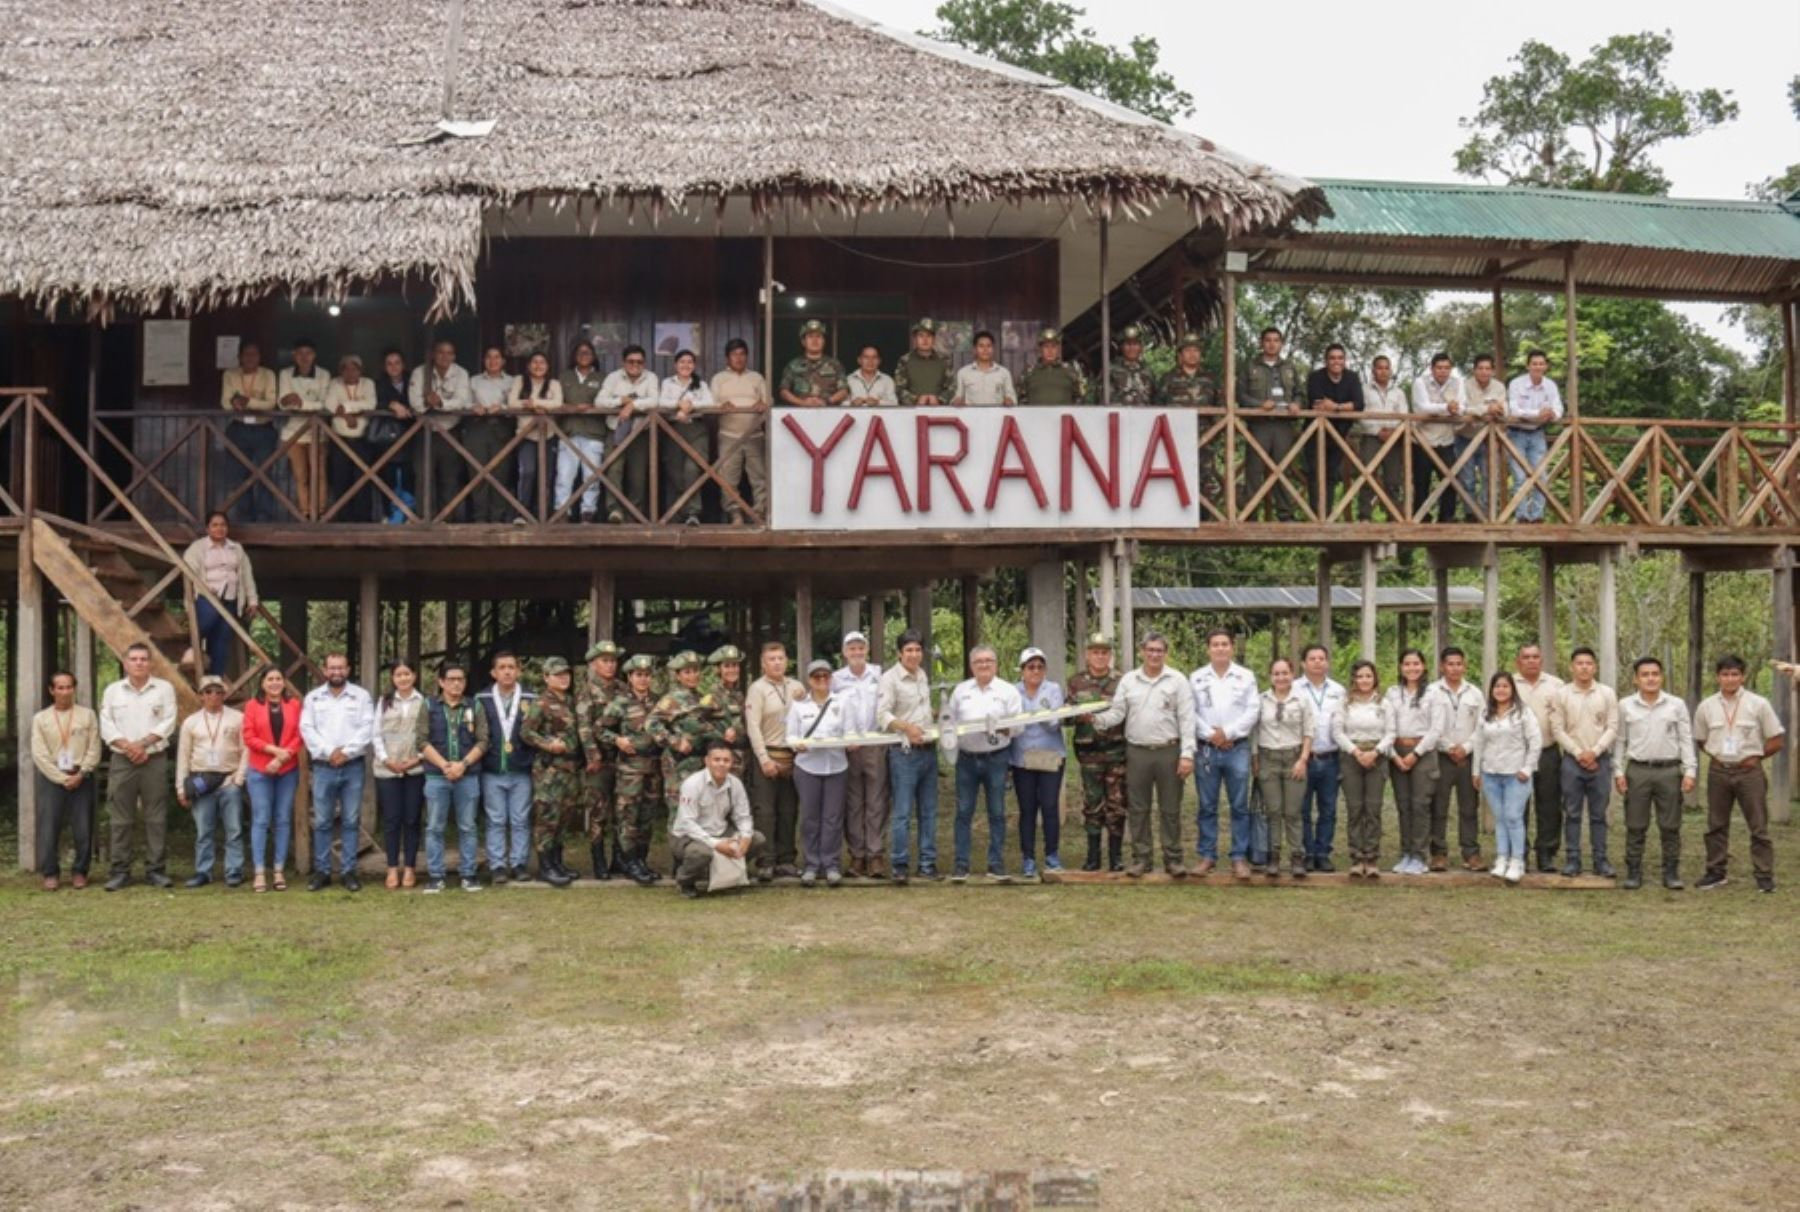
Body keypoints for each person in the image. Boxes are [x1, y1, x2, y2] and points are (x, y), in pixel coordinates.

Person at [1087, 632, 1195, 878]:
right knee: (1138, 808)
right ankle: (1141, 858)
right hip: (1137, 752)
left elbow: (1187, 719)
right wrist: (1096, 719)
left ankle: (1173, 859)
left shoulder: (1177, 680)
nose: (1154, 654)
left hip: (1169, 750)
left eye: (1159, 650)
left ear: (1165, 653)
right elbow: (1117, 713)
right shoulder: (1129, 680)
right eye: (1150, 650)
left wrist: (1187, 754)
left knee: (1170, 809)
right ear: (1142, 652)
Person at [1692, 654, 1783, 892]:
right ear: (1717, 677)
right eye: (1725, 674)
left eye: (1735, 674)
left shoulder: (1759, 704)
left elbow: (1776, 739)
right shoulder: (1706, 706)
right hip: (1719, 772)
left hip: (1749, 773)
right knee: (1716, 824)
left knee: (1758, 825)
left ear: (1743, 677)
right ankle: (1715, 872)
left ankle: (1764, 875)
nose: (1730, 679)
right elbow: (1701, 739)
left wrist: (1756, 757)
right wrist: (1718, 756)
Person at [1613, 656, 1696, 890]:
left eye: (1655, 674)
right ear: (1636, 679)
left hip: (1669, 770)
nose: (1650, 679)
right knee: (1635, 823)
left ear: (1662, 677)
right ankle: (1633, 871)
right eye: (1645, 675)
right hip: (1638, 770)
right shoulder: (1625, 705)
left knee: (1670, 825)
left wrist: (1690, 770)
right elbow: (1620, 740)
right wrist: (1618, 771)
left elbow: (1685, 739)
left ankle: (1671, 872)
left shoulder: (1676, 705)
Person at [100, 642, 178, 891]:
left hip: (153, 759)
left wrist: (142, 745)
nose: (139, 663)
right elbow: (106, 724)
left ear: (150, 663)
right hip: (122, 760)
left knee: (156, 817)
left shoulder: (164, 689)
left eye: (143, 659)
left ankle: (156, 870)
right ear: (125, 663)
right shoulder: (113, 691)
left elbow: (169, 721)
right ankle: (120, 871)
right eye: (134, 659)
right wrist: (129, 747)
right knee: (120, 818)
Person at [945, 644, 1023, 883]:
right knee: (964, 812)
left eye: (989, 660)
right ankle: (961, 865)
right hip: (966, 759)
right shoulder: (960, 691)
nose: (984, 665)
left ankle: (996, 864)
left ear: (996, 664)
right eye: (979, 661)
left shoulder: (1008, 691)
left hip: (996, 758)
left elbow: (1019, 726)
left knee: (997, 812)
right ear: (972, 666)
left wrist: (1002, 728)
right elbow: (949, 724)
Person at [301, 652, 374, 891]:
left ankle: (348, 871)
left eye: (340, 667)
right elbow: (307, 728)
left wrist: (346, 752)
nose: (336, 672)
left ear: (348, 670)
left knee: (351, 820)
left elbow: (367, 727)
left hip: (352, 765)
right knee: (322, 821)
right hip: (324, 767)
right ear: (325, 670)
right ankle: (322, 871)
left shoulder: (361, 696)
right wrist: (330, 751)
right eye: (332, 668)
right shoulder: (313, 698)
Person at [1191, 628, 1260, 878]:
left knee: (1239, 805)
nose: (1220, 648)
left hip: (1236, 747)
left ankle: (1239, 857)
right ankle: (1207, 856)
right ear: (1208, 649)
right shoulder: (1197, 677)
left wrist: (1228, 733)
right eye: (1215, 644)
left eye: (1224, 644)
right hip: (1206, 749)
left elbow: (1253, 710)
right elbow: (1190, 712)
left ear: (1232, 647)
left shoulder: (1245, 676)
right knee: (1207, 806)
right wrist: (1212, 735)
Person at [1549, 646, 1620, 878]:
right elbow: (1557, 729)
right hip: (1572, 761)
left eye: (1589, 663)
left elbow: (1612, 727)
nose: (1584, 667)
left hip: (1600, 761)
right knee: (1572, 813)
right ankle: (1573, 860)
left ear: (1595, 667)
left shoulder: (1607, 693)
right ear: (1572, 667)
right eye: (1579, 663)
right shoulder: (1562, 694)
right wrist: (1579, 753)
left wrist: (1595, 752)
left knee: (1599, 814)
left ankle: (1601, 860)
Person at [418, 661, 488, 893]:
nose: (457, 684)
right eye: (451, 679)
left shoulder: (474, 705)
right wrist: (445, 765)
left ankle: (468, 874)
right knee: (434, 827)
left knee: (467, 826)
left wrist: (463, 765)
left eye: (461, 679)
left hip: (467, 776)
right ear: (441, 682)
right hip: (437, 776)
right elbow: (421, 740)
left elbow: (483, 741)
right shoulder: (429, 705)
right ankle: (436, 876)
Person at [878, 629, 939, 885]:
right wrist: (907, 728)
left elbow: (919, 710)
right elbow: (882, 714)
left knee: (928, 812)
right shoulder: (889, 679)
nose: (913, 655)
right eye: (909, 650)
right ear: (899, 653)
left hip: (928, 752)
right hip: (903, 754)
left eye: (917, 650)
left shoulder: (922, 675)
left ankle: (927, 864)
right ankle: (900, 865)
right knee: (902, 813)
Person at [30, 671, 101, 891]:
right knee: (49, 827)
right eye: (60, 687)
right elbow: (39, 754)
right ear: (51, 690)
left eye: (69, 687)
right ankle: (50, 873)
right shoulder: (41, 719)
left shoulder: (87, 715)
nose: (65, 692)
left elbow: (94, 747)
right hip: (53, 778)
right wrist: (61, 778)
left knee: (83, 827)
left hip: (81, 776)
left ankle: (80, 871)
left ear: (74, 689)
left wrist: (82, 773)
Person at [176, 674, 247, 889]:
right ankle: (203, 871)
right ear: (201, 695)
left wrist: (239, 778)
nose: (213, 696)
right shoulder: (191, 722)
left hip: (229, 779)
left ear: (224, 694)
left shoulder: (238, 718)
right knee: (203, 831)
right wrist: (181, 787)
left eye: (218, 691)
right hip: (202, 781)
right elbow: (183, 756)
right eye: (208, 692)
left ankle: (234, 870)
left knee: (234, 829)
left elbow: (246, 750)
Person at [601, 654, 666, 885]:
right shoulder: (620, 703)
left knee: (647, 817)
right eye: (639, 675)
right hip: (630, 770)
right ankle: (629, 862)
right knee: (628, 816)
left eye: (647, 675)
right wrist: (617, 740)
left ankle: (641, 860)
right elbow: (599, 729)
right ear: (629, 677)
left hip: (653, 767)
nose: (643, 679)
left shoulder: (659, 701)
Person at [1471, 672, 1541, 884]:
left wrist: (1527, 768)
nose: (1501, 690)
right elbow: (1478, 743)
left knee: (1513, 816)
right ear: (1491, 690)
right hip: (1491, 774)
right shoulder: (1486, 713)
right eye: (1497, 686)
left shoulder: (1523, 712)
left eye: (1505, 686)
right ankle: (1502, 858)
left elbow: (1535, 741)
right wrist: (1476, 771)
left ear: (1512, 689)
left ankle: (1517, 860)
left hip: (1516, 774)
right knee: (1500, 818)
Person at [672, 740, 766, 898]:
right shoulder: (692, 784)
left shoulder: (735, 784)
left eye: (726, 760)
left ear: (732, 763)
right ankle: (685, 881)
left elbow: (743, 816)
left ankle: (726, 875)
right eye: (716, 760)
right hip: (688, 837)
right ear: (707, 761)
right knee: (701, 853)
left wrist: (745, 838)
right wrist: (716, 844)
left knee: (757, 839)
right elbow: (687, 823)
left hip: (720, 831)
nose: (721, 764)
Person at [1065, 632, 1125, 873]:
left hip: (1117, 752)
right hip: (1089, 754)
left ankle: (1116, 857)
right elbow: (1065, 717)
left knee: (1117, 804)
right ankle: (1093, 857)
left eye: (1104, 652)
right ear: (1087, 655)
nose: (1100, 656)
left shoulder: (1122, 682)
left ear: (1110, 655)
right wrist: (1075, 715)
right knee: (1092, 805)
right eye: (1095, 652)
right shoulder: (1076, 682)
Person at [745, 641, 804, 880]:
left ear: (787, 660)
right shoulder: (757, 689)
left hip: (792, 757)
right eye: (772, 659)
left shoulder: (797, 687)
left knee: (788, 810)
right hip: (767, 754)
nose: (777, 663)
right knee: (765, 812)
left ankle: (786, 859)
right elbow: (753, 727)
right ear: (763, 663)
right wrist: (763, 758)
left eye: (780, 658)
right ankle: (766, 861)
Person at [475, 650, 536, 884]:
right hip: (492, 770)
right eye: (502, 667)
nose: (507, 671)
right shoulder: (482, 699)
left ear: (518, 671)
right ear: (493, 672)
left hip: (521, 769)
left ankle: (519, 864)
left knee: (520, 819)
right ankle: (498, 865)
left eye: (511, 667)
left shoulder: (531, 698)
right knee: (496, 819)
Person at [788, 659, 850, 887]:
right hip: (808, 767)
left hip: (837, 766)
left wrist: (851, 741)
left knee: (833, 818)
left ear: (831, 678)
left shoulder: (842, 703)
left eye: (825, 676)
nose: (822, 680)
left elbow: (849, 731)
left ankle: (831, 864)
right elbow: (791, 735)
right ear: (809, 680)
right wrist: (797, 745)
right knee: (810, 818)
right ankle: (811, 865)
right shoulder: (799, 706)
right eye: (817, 677)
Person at [1252, 656, 1315, 879]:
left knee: (1293, 812)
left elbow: (1309, 731)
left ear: (1292, 674)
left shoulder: (1302, 699)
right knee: (1273, 811)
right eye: (1276, 673)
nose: (1281, 677)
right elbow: (1255, 732)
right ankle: (1274, 856)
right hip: (1268, 758)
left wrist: (1303, 759)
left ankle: (1297, 856)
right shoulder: (1261, 700)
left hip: (1293, 757)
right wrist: (1255, 760)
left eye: (1285, 673)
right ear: (1270, 676)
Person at [242, 666, 302, 892]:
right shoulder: (252, 706)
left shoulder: (294, 705)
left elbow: (299, 735)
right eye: (270, 679)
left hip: (287, 770)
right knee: (261, 819)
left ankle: (278, 870)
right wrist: (274, 752)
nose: (275, 682)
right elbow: (249, 736)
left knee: (283, 819)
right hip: (260, 769)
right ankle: (259, 871)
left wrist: (283, 757)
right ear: (262, 683)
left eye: (278, 678)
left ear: (284, 682)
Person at [832, 631, 887, 879]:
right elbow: (829, 709)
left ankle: (875, 855)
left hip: (875, 744)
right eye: (851, 648)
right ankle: (857, 855)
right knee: (853, 803)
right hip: (849, 748)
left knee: (876, 801)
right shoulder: (836, 679)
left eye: (860, 648)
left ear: (867, 650)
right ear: (844, 652)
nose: (856, 652)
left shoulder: (879, 675)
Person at [1384, 648, 1444, 876]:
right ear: (1401, 667)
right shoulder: (1392, 693)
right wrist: (1394, 755)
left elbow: (1436, 729)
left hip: (1423, 751)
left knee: (1420, 805)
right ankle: (1406, 853)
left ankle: (1419, 856)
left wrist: (1415, 754)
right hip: (1397, 751)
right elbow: (1386, 726)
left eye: (1416, 663)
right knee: (1404, 805)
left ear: (1424, 666)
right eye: (1407, 664)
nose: (1412, 668)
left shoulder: (1434, 693)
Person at [521, 656, 580, 887]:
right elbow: (526, 733)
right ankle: (545, 866)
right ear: (546, 677)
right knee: (547, 817)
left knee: (564, 816)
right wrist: (547, 744)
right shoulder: (541, 703)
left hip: (570, 769)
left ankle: (557, 862)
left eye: (566, 673)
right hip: (550, 770)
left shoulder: (571, 701)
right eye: (557, 674)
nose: (563, 678)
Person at [1332, 660, 1393, 878]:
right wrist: (1357, 753)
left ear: (1374, 678)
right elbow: (1337, 732)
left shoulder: (1384, 703)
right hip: (1351, 757)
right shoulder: (1344, 703)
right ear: (1354, 679)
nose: (1364, 680)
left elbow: (1391, 733)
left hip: (1377, 757)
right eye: (1360, 676)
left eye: (1368, 676)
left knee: (1373, 808)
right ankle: (1357, 857)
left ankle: (1372, 856)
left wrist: (1375, 752)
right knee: (1355, 808)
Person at [1010, 646, 1066, 879]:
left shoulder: (1053, 689)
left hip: (1050, 755)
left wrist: (1039, 717)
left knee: (1050, 807)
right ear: (1022, 670)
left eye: (1040, 667)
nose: (1035, 671)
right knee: (1027, 809)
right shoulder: (1012, 692)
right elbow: (1010, 724)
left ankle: (1052, 855)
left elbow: (1054, 723)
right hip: (1022, 757)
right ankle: (1028, 858)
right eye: (1030, 667)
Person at [181, 511, 259, 678]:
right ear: (208, 528)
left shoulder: (236, 548)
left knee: (221, 639)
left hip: (230, 598)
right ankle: (191, 649)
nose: (219, 528)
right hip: (206, 596)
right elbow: (189, 571)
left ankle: (215, 679)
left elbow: (246, 574)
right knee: (206, 623)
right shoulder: (198, 547)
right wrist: (204, 587)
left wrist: (252, 600)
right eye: (215, 525)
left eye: (223, 525)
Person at [1239, 327, 1306, 520]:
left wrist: (1297, 404)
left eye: (1276, 340)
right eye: (1268, 340)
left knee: (1282, 470)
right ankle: (1250, 515)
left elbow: (1300, 393)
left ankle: (1285, 515)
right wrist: (1259, 405)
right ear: (1261, 343)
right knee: (1254, 470)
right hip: (1259, 425)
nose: (1271, 344)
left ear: (1281, 344)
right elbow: (1240, 395)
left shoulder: (1289, 367)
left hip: (1283, 425)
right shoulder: (1250, 366)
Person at [372, 659, 427, 890]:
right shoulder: (384, 701)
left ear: (414, 676)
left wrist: (417, 759)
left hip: (415, 768)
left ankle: (411, 868)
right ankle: (392, 868)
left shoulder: (424, 702)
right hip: (387, 769)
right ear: (392, 678)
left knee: (412, 819)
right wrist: (387, 760)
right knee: (392, 819)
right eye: (398, 675)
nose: (403, 678)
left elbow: (429, 735)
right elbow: (376, 734)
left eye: (407, 674)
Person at [1431, 646, 1486, 872]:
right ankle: (1438, 853)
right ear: (1442, 667)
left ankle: (1471, 852)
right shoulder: (1432, 692)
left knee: (1469, 807)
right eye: (1450, 664)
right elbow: (1429, 725)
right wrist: (1448, 747)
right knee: (1438, 806)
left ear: (1465, 666)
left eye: (1458, 664)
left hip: (1468, 757)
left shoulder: (1475, 693)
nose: (1454, 668)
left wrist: (1466, 747)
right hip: (1441, 756)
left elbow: (1482, 726)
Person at [1513, 643, 1566, 871]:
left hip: (1547, 752)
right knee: (1518, 805)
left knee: (1549, 805)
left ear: (1541, 660)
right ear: (1518, 662)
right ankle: (1520, 852)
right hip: (1517, 754)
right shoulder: (1509, 684)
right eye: (1526, 657)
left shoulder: (1556, 685)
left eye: (1535, 657)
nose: (1531, 661)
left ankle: (1546, 853)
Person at [409, 339, 474, 521]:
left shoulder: (461, 373)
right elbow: (415, 403)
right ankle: (425, 520)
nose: (444, 356)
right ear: (432, 354)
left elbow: (462, 401)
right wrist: (427, 403)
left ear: (454, 356)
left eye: (449, 353)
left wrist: (440, 403)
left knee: (449, 478)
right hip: (424, 431)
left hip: (450, 431)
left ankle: (447, 520)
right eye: (440, 352)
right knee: (423, 477)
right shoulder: (420, 372)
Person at [576, 640, 626, 878]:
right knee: (598, 811)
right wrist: (592, 756)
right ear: (594, 663)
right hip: (599, 760)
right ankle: (598, 860)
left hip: (623, 758)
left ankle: (619, 858)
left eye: (613, 661)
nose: (610, 665)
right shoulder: (586, 691)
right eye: (605, 661)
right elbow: (584, 728)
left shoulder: (622, 688)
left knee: (621, 810)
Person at [649, 651, 712, 835]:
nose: (693, 676)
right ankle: (677, 851)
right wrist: (674, 741)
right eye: (687, 672)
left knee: (698, 810)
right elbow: (651, 723)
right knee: (679, 810)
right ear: (678, 675)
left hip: (699, 763)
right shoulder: (671, 699)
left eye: (695, 671)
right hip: (678, 764)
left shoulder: (701, 698)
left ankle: (695, 851)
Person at [1296, 644, 1346, 871]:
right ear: (1303, 663)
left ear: (1327, 662)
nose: (1317, 662)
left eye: (1321, 658)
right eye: (1312, 658)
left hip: (1330, 758)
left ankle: (1323, 852)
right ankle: (1307, 853)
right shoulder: (1294, 688)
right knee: (1302, 809)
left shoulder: (1339, 691)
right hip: (1303, 758)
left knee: (1328, 809)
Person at [711, 338, 772, 524]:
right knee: (728, 478)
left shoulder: (757, 378)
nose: (738, 358)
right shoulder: (719, 378)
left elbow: (769, 401)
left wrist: (762, 403)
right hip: (729, 436)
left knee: (760, 477)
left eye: (742, 354)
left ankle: (760, 513)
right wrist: (721, 406)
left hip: (755, 435)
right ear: (727, 358)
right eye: (734, 354)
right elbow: (710, 402)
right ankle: (734, 513)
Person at [218, 341, 280, 521]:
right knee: (240, 475)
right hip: (238, 428)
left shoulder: (268, 374)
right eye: (246, 354)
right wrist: (237, 402)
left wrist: (248, 402)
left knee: (265, 474)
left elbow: (271, 402)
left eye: (254, 354)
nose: (250, 358)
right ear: (239, 357)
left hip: (264, 429)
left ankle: (265, 516)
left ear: (259, 357)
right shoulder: (230, 374)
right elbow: (225, 402)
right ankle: (245, 516)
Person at [1158, 333, 1221, 505]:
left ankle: (1205, 516)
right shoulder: (1168, 379)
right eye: (1188, 350)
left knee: (1206, 479)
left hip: (1205, 438)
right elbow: (1157, 407)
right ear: (1180, 354)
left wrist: (1215, 433)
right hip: (1176, 438)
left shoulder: (1210, 379)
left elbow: (1221, 406)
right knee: (1176, 477)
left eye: (1196, 350)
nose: (1192, 354)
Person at [599, 344, 660, 521]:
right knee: (614, 471)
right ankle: (614, 510)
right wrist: (621, 401)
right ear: (623, 362)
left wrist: (633, 405)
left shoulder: (651, 377)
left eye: (639, 362)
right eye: (631, 361)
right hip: (615, 430)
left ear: (644, 363)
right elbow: (599, 401)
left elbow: (654, 400)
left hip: (640, 432)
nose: (635, 365)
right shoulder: (613, 377)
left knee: (637, 475)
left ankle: (634, 513)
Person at [654, 351, 713, 525]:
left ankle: (693, 512)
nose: (686, 365)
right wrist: (678, 404)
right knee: (675, 473)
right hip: (673, 429)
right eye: (682, 362)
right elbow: (661, 402)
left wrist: (690, 406)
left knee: (692, 470)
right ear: (675, 365)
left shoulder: (701, 384)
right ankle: (679, 514)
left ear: (694, 365)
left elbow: (710, 403)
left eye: (689, 362)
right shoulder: (667, 383)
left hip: (696, 430)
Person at [1506, 349, 1563, 523]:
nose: (1538, 367)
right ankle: (1522, 516)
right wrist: (1538, 414)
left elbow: (1558, 408)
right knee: (1519, 477)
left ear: (1546, 366)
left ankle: (1537, 516)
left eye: (1541, 364)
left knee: (1541, 477)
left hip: (1538, 434)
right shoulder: (1516, 384)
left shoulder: (1550, 385)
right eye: (1534, 364)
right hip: (1517, 433)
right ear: (1528, 366)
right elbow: (1515, 411)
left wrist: (1552, 414)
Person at [277, 338, 332, 519]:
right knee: (300, 476)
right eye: (300, 353)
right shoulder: (285, 374)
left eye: (308, 353)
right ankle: (305, 513)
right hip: (293, 432)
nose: (304, 357)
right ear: (294, 356)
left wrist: (301, 404)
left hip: (318, 432)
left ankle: (321, 513)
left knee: (319, 474)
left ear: (314, 355)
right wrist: (287, 401)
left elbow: (324, 404)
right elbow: (283, 402)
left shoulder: (324, 375)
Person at [1305, 343, 1362, 515]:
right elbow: (1318, 403)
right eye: (1332, 358)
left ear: (1345, 360)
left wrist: (1336, 407)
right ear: (1326, 361)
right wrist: (1345, 406)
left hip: (1339, 435)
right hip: (1315, 434)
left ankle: (1327, 514)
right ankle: (1316, 516)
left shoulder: (1352, 378)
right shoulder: (1316, 377)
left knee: (1331, 475)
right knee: (1315, 474)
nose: (1336, 361)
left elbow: (1359, 404)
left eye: (1340, 358)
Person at [555, 341, 607, 522]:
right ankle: (562, 512)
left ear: (593, 356)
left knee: (591, 477)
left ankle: (588, 513)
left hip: (594, 434)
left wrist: (593, 407)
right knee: (564, 476)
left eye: (587, 352)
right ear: (574, 356)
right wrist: (572, 408)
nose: (584, 355)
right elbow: (555, 402)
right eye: (580, 352)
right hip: (568, 433)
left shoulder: (602, 378)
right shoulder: (564, 377)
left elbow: (607, 401)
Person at [324, 353, 379, 521]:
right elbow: (330, 404)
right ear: (341, 371)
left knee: (362, 480)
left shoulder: (368, 383)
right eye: (346, 369)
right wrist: (350, 415)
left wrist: (346, 408)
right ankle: (344, 520)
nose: (350, 372)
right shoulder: (335, 383)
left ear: (360, 370)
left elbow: (370, 404)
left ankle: (363, 520)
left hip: (362, 440)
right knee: (341, 480)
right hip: (340, 439)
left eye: (354, 368)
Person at [1410, 353, 1464, 523]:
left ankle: (1446, 517)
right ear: (1432, 369)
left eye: (1447, 368)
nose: (1443, 371)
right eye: (1439, 368)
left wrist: (1451, 409)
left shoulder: (1458, 382)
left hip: (1446, 440)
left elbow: (1462, 407)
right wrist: (1447, 408)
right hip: (1422, 440)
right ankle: (1421, 518)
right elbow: (1422, 408)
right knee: (1421, 482)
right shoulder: (1420, 382)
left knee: (1450, 480)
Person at [465, 346, 517, 523]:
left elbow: (516, 403)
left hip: (501, 428)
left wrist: (502, 408)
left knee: (500, 474)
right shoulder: (474, 381)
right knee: (478, 473)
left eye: (497, 357)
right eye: (489, 357)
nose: (493, 361)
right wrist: (473, 407)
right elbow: (465, 401)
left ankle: (497, 517)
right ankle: (480, 517)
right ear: (483, 361)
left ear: (503, 361)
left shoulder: (512, 381)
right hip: (477, 428)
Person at [509, 350, 563, 518]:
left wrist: (535, 403)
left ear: (548, 366)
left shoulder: (554, 384)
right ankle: (522, 512)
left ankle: (542, 515)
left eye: (542, 362)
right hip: (525, 436)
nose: (538, 365)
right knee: (527, 472)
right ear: (528, 366)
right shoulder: (520, 381)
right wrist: (535, 406)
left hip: (548, 436)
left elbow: (558, 403)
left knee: (546, 476)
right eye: (535, 362)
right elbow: (511, 403)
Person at [1357, 356, 1408, 521]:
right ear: (1373, 371)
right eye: (1380, 368)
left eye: (1386, 368)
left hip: (1393, 439)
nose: (1383, 371)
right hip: (1371, 437)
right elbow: (1360, 414)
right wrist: (1377, 430)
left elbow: (1404, 415)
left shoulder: (1398, 392)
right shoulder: (1364, 390)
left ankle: (1392, 515)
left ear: (1390, 371)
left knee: (1393, 478)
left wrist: (1393, 432)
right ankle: (1365, 515)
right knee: (1367, 475)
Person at [1458, 354, 1507, 519]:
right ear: (1474, 370)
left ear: (1493, 371)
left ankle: (1486, 513)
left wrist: (1483, 410)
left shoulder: (1499, 387)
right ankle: (1470, 513)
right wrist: (1486, 409)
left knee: (1490, 477)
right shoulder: (1464, 386)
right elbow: (1463, 409)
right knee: (1467, 479)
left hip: (1489, 439)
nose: (1484, 372)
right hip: (1465, 437)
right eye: (1480, 368)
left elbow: (1502, 410)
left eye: (1487, 368)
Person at [372, 348, 418, 518]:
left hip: (412, 436)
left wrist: (406, 408)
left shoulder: (414, 381)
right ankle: (389, 516)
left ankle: (409, 516)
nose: (393, 367)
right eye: (389, 363)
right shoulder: (378, 384)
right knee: (388, 477)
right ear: (384, 367)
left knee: (410, 477)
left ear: (403, 365)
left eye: (397, 363)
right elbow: (374, 401)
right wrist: (391, 404)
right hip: (387, 438)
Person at [779, 320, 848, 409]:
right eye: (810, 336)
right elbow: (784, 391)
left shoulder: (835, 365)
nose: (815, 340)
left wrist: (827, 401)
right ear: (803, 342)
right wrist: (802, 403)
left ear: (824, 341)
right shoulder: (793, 365)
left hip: (828, 412)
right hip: (799, 413)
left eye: (818, 336)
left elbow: (844, 391)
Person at [894, 318, 954, 406]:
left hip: (939, 409)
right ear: (915, 339)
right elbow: (899, 388)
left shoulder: (944, 360)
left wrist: (940, 399)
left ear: (934, 339)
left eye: (929, 336)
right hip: (912, 410)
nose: (925, 340)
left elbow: (952, 386)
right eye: (921, 336)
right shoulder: (905, 360)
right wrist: (916, 400)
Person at [1018, 328, 1086, 405]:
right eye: (1046, 347)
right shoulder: (1028, 373)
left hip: (1064, 413)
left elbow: (1080, 399)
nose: (1050, 351)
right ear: (1040, 349)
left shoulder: (1070, 371)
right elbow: (1021, 401)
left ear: (1058, 349)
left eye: (1053, 346)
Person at [953, 331, 1017, 406]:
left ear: (993, 349)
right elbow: (957, 397)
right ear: (975, 349)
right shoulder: (963, 373)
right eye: (981, 346)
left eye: (989, 346)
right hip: (971, 413)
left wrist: (1010, 400)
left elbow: (1012, 399)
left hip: (997, 413)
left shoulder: (1004, 373)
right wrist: (957, 401)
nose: (985, 349)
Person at [1109, 326, 1155, 405]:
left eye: (1135, 344)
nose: (1132, 348)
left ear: (1141, 347)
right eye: (1128, 344)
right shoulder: (1110, 371)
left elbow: (1156, 400)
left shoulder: (1148, 372)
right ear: (1121, 347)